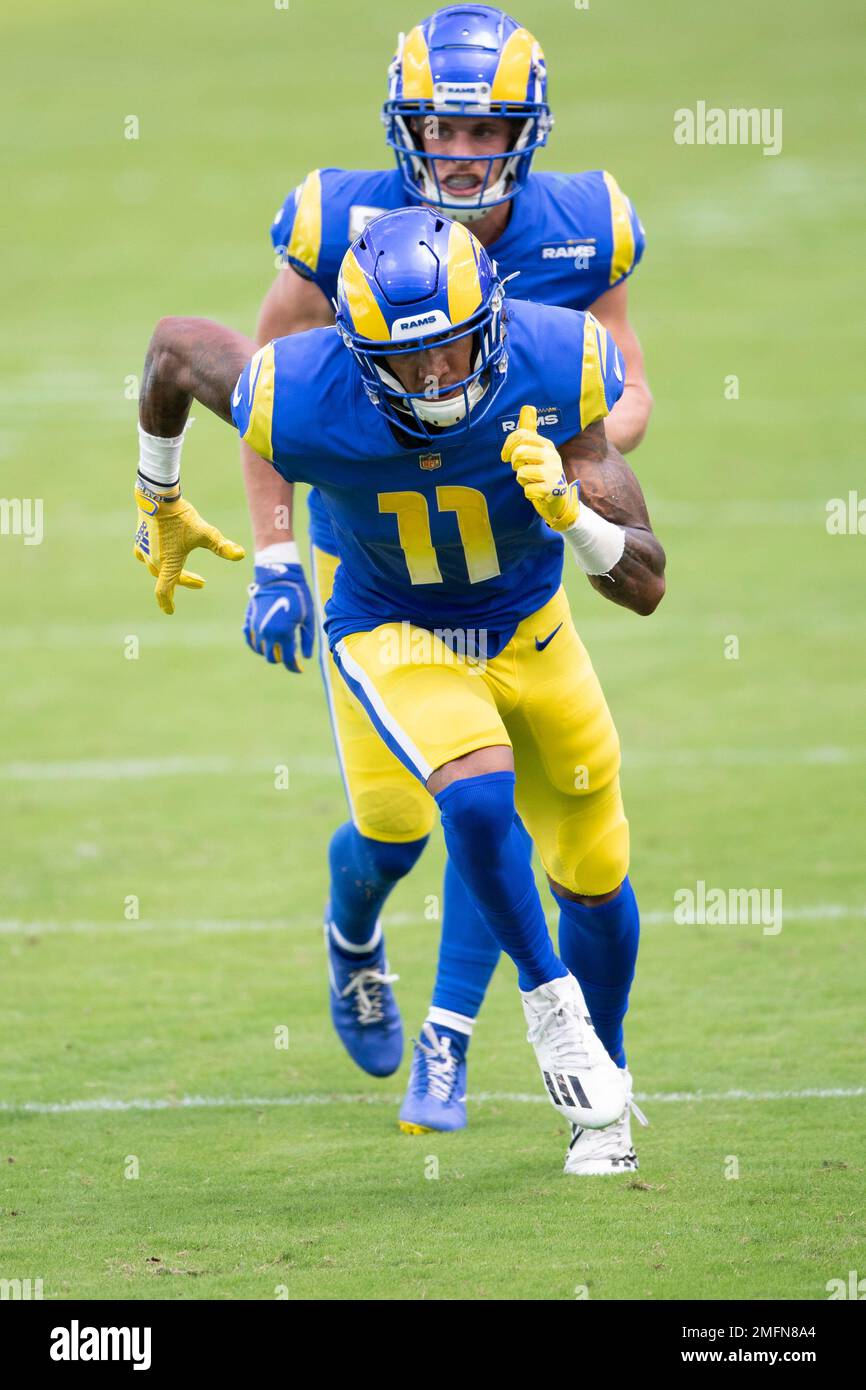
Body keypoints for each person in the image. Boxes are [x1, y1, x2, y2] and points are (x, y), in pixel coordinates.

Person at [132, 205, 665, 1170]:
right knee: (466, 791)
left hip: (533, 629)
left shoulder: (557, 361)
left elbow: (647, 585)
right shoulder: (304, 390)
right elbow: (172, 350)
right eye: (405, 360)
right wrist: (158, 495)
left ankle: (607, 1097)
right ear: (355, 347)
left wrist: (572, 517)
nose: (432, 379)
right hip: (394, 628)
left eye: (452, 352)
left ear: (494, 321)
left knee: (594, 866)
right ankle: (550, 1012)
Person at [239, 5, 653, 1166]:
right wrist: (273, 557)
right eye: (441, 126)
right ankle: (355, 928)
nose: (464, 149)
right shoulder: (339, 222)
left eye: (487, 128)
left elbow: (624, 396)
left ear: (526, 132)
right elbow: (261, 386)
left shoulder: (580, 233)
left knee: (508, 801)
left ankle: (492, 1045)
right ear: (400, 125)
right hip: (382, 577)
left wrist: (567, 458)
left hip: (514, 558)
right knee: (390, 826)